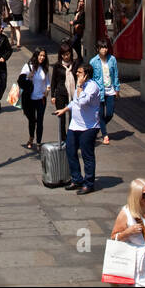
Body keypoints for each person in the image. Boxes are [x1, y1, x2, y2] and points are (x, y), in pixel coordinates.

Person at [55, 62, 100, 194]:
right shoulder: (81, 86)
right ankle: (76, 179)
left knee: (87, 155)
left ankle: (89, 183)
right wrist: (64, 109)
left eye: (79, 72)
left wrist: (80, 85)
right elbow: (75, 101)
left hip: (89, 126)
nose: (76, 74)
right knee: (70, 151)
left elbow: (82, 102)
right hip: (75, 125)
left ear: (86, 75)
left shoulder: (92, 87)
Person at [18, 48, 49, 151]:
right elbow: (20, 81)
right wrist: (28, 77)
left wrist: (47, 90)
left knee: (40, 121)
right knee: (32, 120)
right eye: (40, 55)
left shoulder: (44, 68)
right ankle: (31, 138)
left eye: (44, 56)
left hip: (41, 99)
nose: (42, 58)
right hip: (30, 99)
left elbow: (47, 82)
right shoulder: (28, 66)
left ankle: (39, 142)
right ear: (36, 56)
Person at [90, 40, 119, 144]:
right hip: (99, 92)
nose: (104, 50)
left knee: (110, 113)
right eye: (102, 47)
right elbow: (91, 78)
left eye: (106, 47)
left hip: (110, 90)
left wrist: (117, 88)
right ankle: (105, 134)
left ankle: (97, 128)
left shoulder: (112, 59)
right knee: (101, 114)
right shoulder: (93, 61)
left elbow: (115, 74)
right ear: (98, 49)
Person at [51, 43, 77, 144]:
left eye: (68, 54)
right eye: (64, 54)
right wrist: (53, 95)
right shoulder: (57, 66)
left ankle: (71, 136)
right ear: (61, 55)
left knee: (73, 116)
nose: (66, 56)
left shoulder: (75, 64)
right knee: (61, 118)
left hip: (72, 94)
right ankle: (63, 137)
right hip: (60, 93)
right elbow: (53, 81)